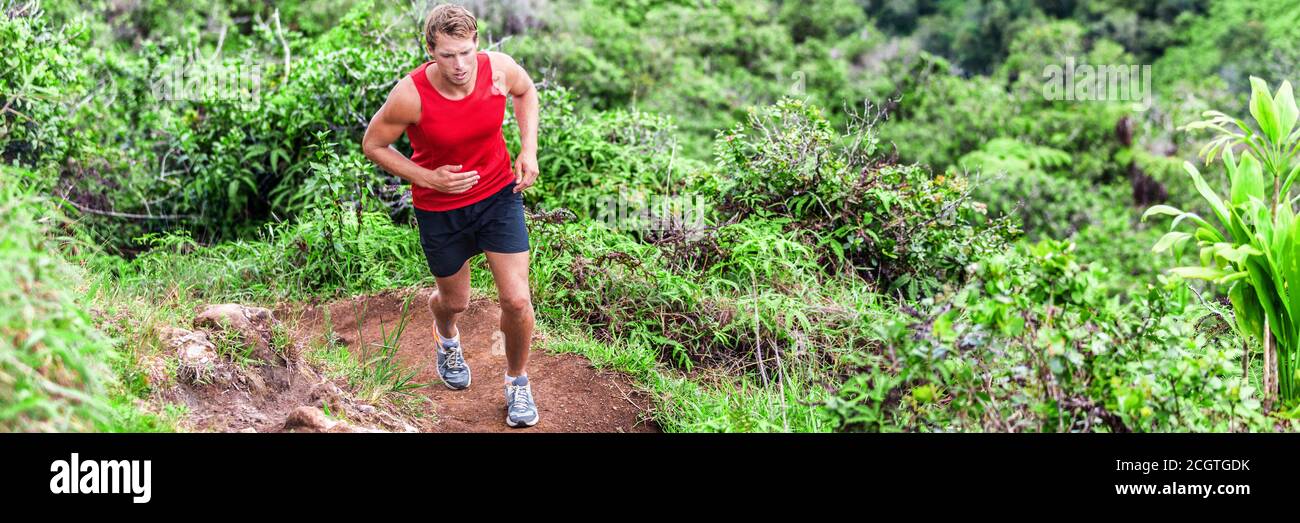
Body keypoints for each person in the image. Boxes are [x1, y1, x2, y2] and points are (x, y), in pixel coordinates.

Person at [361, 3, 541, 428]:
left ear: (476, 43)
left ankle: (517, 381)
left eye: (465, 52)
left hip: (499, 194)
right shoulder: (411, 94)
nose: (459, 65)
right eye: (447, 55)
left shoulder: (497, 69)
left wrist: (528, 149)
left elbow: (526, 91)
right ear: (430, 51)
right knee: (454, 301)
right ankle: (446, 337)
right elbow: (373, 144)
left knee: (516, 299)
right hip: (441, 208)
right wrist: (428, 177)